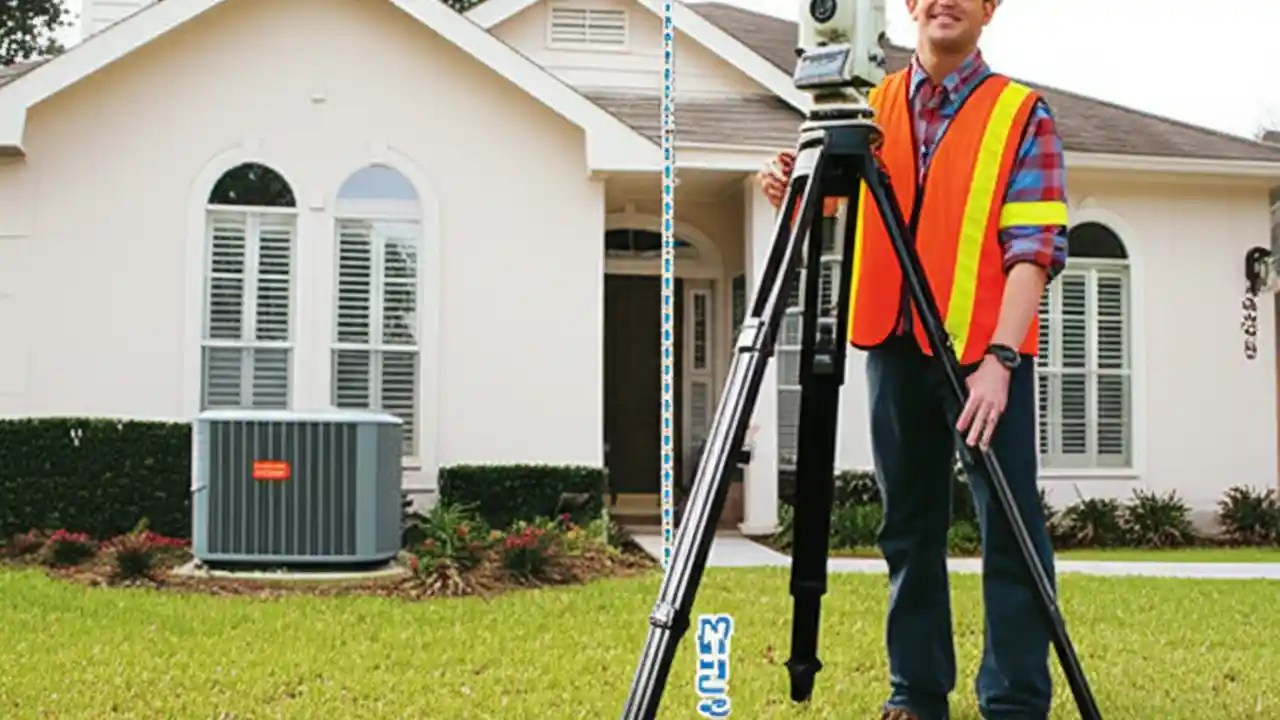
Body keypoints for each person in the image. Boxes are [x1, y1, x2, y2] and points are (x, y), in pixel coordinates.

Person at [757, 1, 1068, 719]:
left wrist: (999, 361)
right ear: (907, 6)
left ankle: (1015, 702)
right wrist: (792, 188)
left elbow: (1035, 251)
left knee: (1010, 530)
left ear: (990, 7)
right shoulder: (870, 105)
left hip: (985, 364)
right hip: (892, 349)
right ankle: (916, 693)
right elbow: (836, 219)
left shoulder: (1021, 114)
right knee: (907, 528)